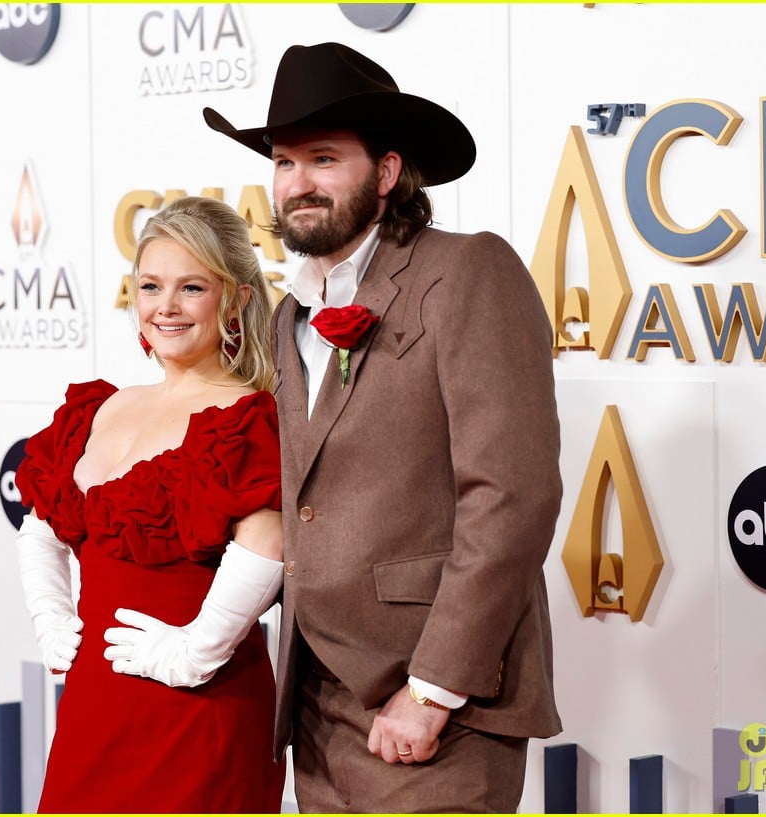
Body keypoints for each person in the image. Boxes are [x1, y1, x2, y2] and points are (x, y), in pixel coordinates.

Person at [203, 42, 564, 812]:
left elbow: (512, 494)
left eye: (324, 158)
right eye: (284, 161)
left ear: (388, 172)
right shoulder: (288, 311)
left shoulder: (468, 272)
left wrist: (433, 690)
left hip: (440, 711)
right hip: (317, 715)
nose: (298, 183)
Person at [13, 196, 285, 812]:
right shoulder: (100, 407)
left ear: (237, 298)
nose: (166, 307)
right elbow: (41, 527)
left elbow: (268, 547)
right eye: (150, 286)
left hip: (200, 711)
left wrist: (195, 651)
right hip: (95, 707)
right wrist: (49, 615)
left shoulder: (250, 418)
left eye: (192, 287)